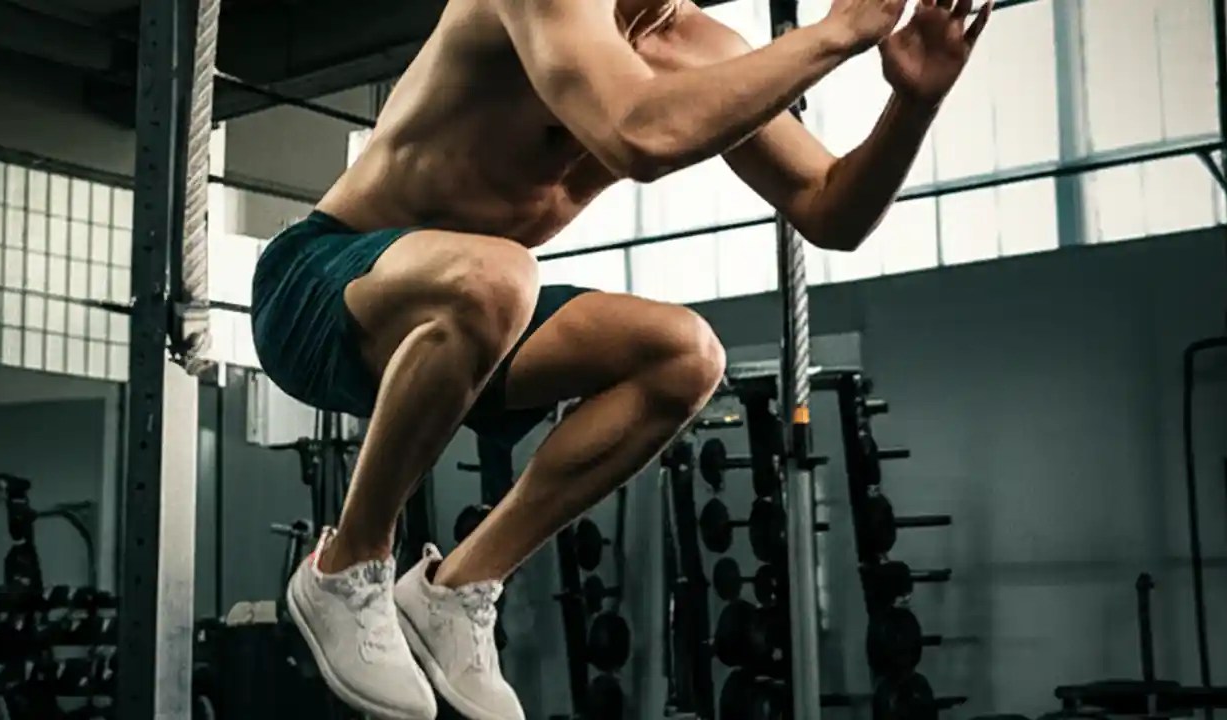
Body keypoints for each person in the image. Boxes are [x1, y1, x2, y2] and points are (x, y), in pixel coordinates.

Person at [250, 0, 992, 717]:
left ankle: (454, 591)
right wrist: (837, 33)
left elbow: (832, 209)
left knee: (685, 356)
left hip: (471, 326)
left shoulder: (703, 49)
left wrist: (912, 105)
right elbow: (636, 134)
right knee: (500, 277)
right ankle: (347, 567)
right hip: (327, 287)